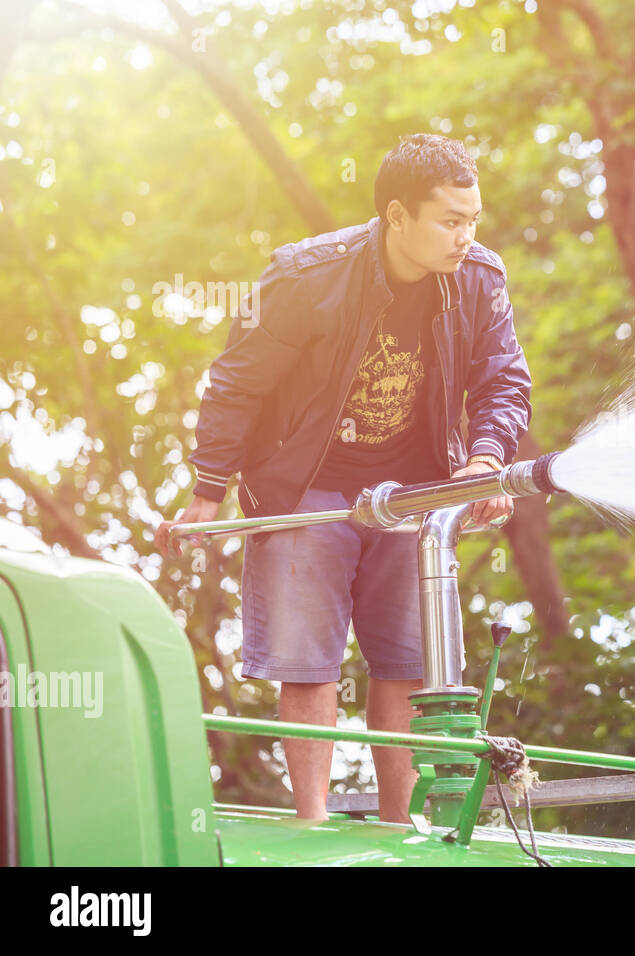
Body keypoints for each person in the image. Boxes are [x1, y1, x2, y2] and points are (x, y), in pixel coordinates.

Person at [155, 133, 532, 823]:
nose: (465, 236)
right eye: (450, 220)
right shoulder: (304, 276)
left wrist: (484, 461)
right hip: (305, 489)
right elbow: (236, 383)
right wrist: (208, 491)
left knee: (406, 662)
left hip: (416, 490)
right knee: (307, 663)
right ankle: (314, 822)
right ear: (396, 216)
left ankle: (396, 825)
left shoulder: (480, 277)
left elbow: (503, 379)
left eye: (473, 218)